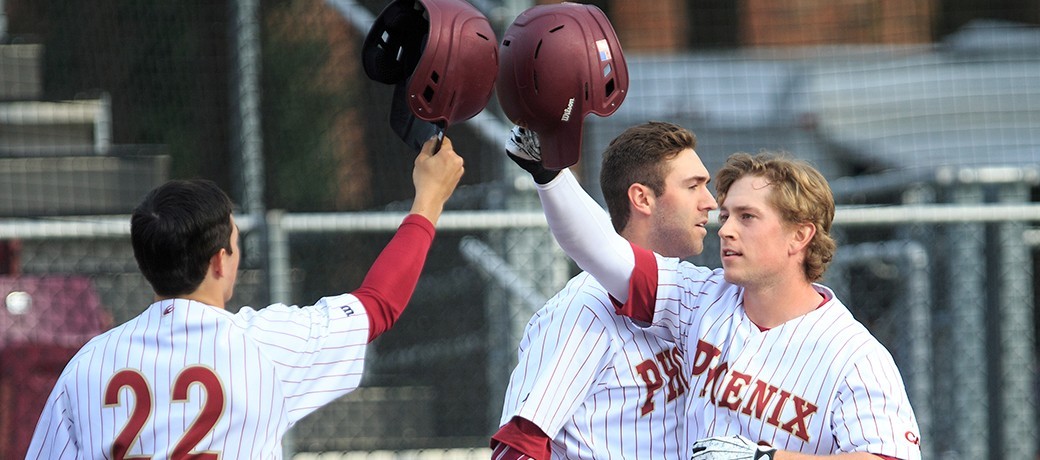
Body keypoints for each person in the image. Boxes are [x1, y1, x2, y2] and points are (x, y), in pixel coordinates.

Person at [25, 136, 465, 459]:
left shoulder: (88, 365)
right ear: (220, 261)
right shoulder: (264, 344)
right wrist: (428, 199)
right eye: (236, 244)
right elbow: (379, 303)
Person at [508, 136, 922, 459]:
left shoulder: (855, 356)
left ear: (800, 235)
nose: (725, 230)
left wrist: (768, 458)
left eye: (747, 217)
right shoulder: (703, 299)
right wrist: (549, 174)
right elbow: (603, 253)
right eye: (725, 216)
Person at [491, 122, 719, 459]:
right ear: (642, 198)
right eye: (693, 186)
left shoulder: (689, 300)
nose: (710, 202)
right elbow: (517, 446)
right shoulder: (585, 307)